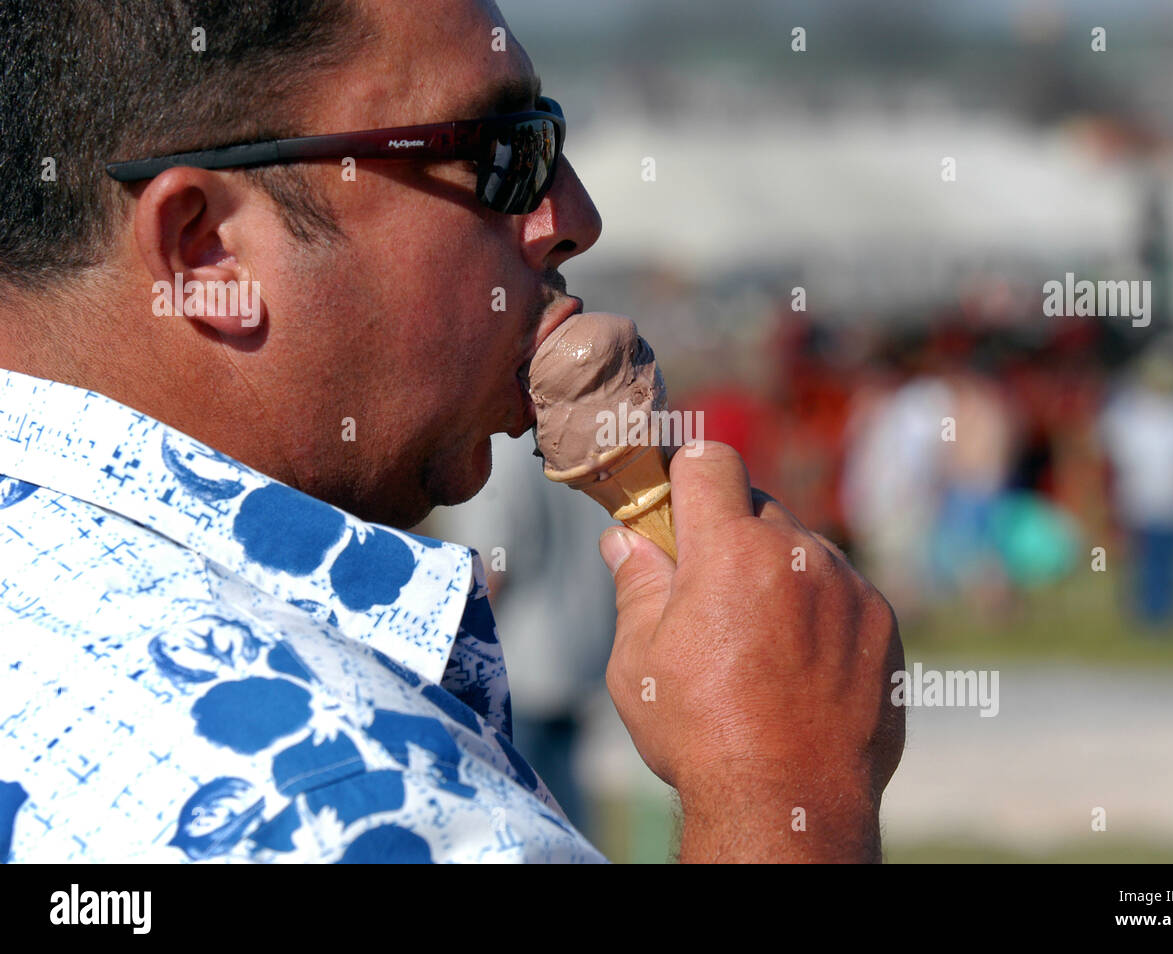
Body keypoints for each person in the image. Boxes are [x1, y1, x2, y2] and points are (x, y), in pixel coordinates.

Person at [0, 0, 904, 864]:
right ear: (209, 250)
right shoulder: (358, 812)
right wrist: (782, 791)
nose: (575, 219)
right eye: (505, 152)